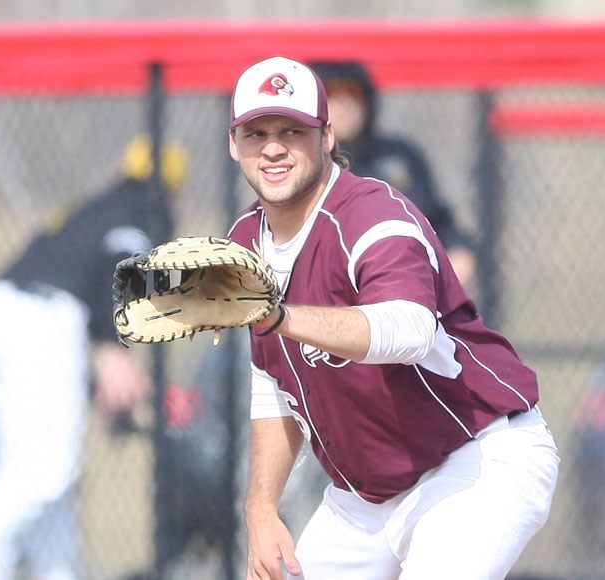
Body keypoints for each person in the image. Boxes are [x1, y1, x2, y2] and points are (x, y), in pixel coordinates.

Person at [226, 55, 559, 580]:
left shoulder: (372, 215)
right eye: (256, 132)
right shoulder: (244, 241)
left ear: (327, 136)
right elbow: (273, 377)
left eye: (293, 130)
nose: (272, 147)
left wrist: (278, 316)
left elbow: (408, 329)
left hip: (474, 457)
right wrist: (261, 507)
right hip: (365, 496)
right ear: (234, 144)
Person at [0, 137, 186, 580]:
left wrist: (95, 370)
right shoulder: (142, 208)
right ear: (173, 190)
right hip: (41, 319)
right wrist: (111, 348)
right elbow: (120, 257)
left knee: (41, 478)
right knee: (44, 472)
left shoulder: (101, 203)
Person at [308, 60, 478, 290]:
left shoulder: (399, 155)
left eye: (352, 93)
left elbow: (438, 220)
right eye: (332, 95)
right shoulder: (306, 164)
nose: (344, 104)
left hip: (415, 287)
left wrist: (459, 250)